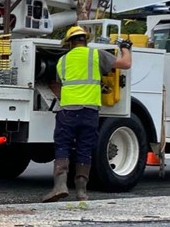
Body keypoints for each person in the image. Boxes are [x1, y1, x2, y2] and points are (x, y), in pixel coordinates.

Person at [43, 26, 132, 202]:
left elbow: (58, 87)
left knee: (63, 146)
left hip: (68, 111)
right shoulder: (96, 55)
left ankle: (60, 186)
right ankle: (82, 191)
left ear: (69, 43)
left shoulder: (62, 61)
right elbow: (125, 64)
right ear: (85, 40)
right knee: (85, 149)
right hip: (90, 111)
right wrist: (125, 49)